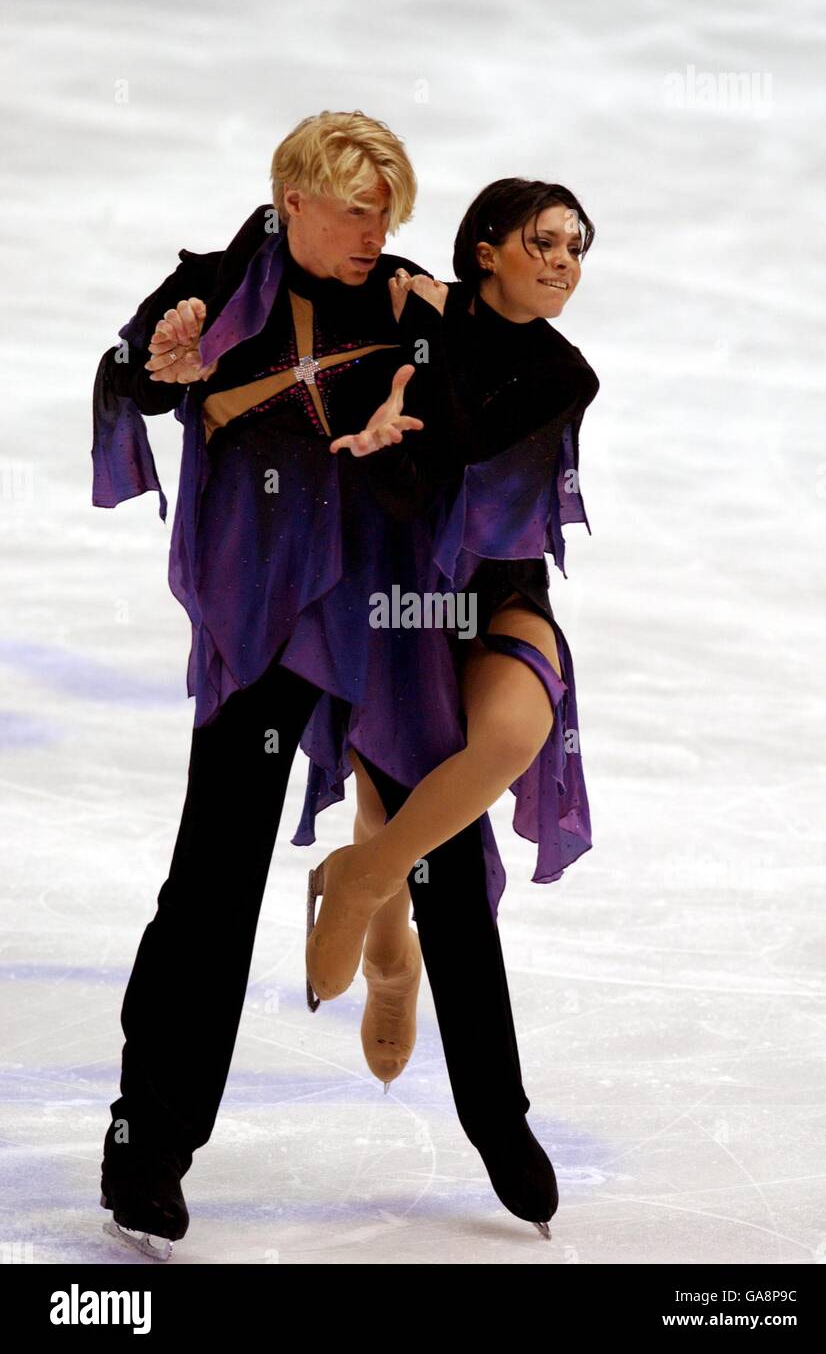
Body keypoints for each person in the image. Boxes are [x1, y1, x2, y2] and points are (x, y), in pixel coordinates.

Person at [91, 113, 559, 1259]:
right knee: (214, 870)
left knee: (442, 856)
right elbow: (139, 377)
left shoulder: (403, 295)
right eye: (356, 211)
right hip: (266, 619)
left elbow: (531, 369)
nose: (375, 233)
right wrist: (157, 364)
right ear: (294, 199)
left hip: (396, 612)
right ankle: (147, 1145)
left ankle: (498, 1118)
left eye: (387, 212)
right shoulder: (215, 285)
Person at [300, 178, 599, 1109]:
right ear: (486, 249)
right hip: (392, 594)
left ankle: (355, 885)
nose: (561, 262)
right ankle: (395, 971)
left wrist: (415, 352)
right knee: (393, 799)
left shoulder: (563, 373)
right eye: (543, 242)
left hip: (496, 594)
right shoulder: (406, 299)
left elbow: (459, 442)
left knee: (511, 735)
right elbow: (302, 290)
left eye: (575, 249)